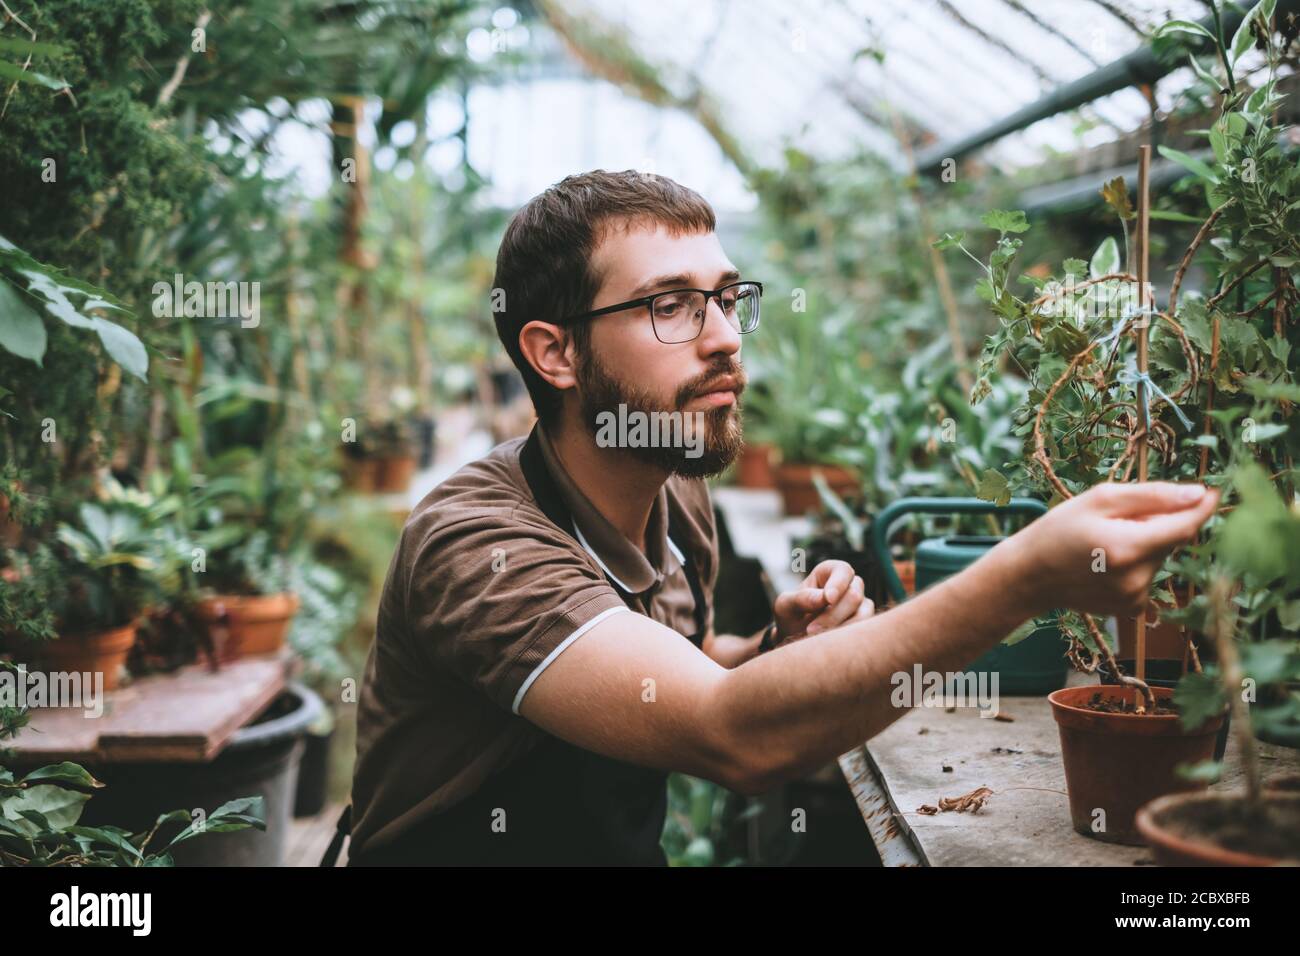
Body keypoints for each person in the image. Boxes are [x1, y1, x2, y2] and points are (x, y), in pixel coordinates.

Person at [345, 169, 1218, 866]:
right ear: (554, 352)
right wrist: (1030, 573)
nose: (725, 336)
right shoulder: (478, 548)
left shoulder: (671, 481)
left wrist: (770, 652)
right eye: (670, 306)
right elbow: (734, 736)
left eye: (727, 297)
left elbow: (674, 664)